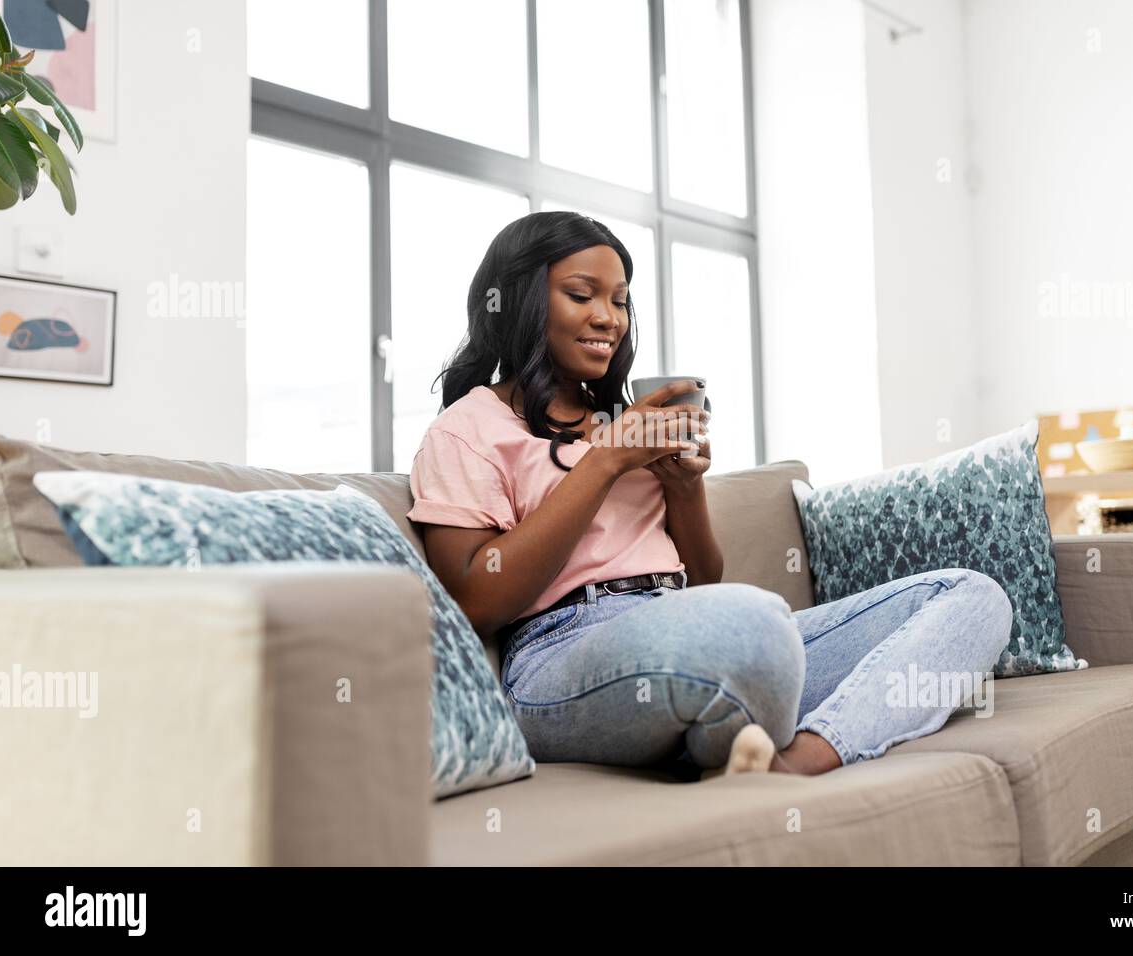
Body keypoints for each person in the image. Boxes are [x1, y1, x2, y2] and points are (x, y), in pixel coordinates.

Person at [407, 211, 1013, 778]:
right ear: (517, 301)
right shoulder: (468, 429)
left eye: (620, 301)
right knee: (753, 626)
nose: (609, 318)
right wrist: (607, 461)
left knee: (971, 596)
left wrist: (685, 486)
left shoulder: (624, 420)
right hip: (561, 658)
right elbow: (475, 601)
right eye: (582, 294)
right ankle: (750, 710)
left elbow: (702, 582)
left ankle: (794, 761)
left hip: (691, 627)